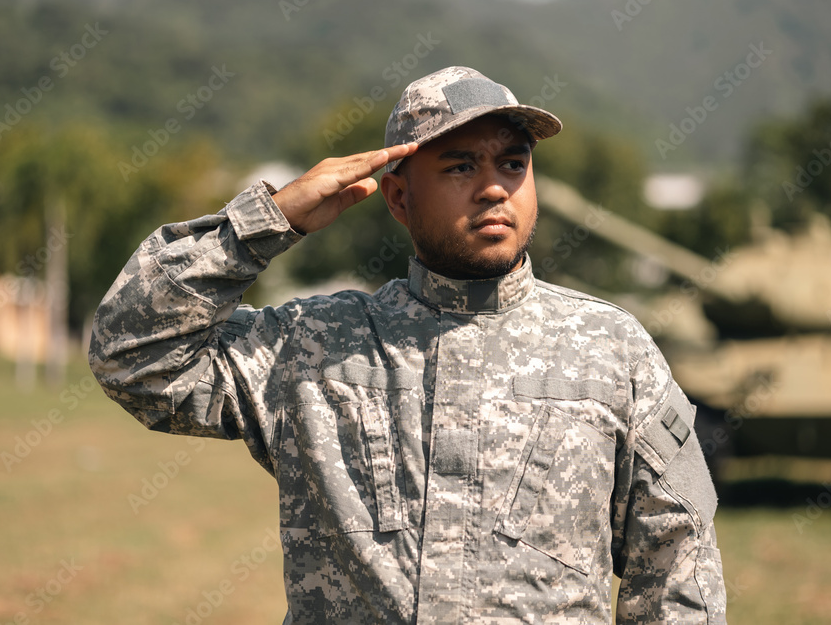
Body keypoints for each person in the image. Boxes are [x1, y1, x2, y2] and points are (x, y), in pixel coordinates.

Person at [89, 66, 727, 624]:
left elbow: (677, 564)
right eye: (459, 165)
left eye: (513, 162)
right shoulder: (315, 347)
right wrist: (268, 221)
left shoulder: (612, 349)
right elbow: (133, 356)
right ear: (398, 196)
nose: (494, 187)